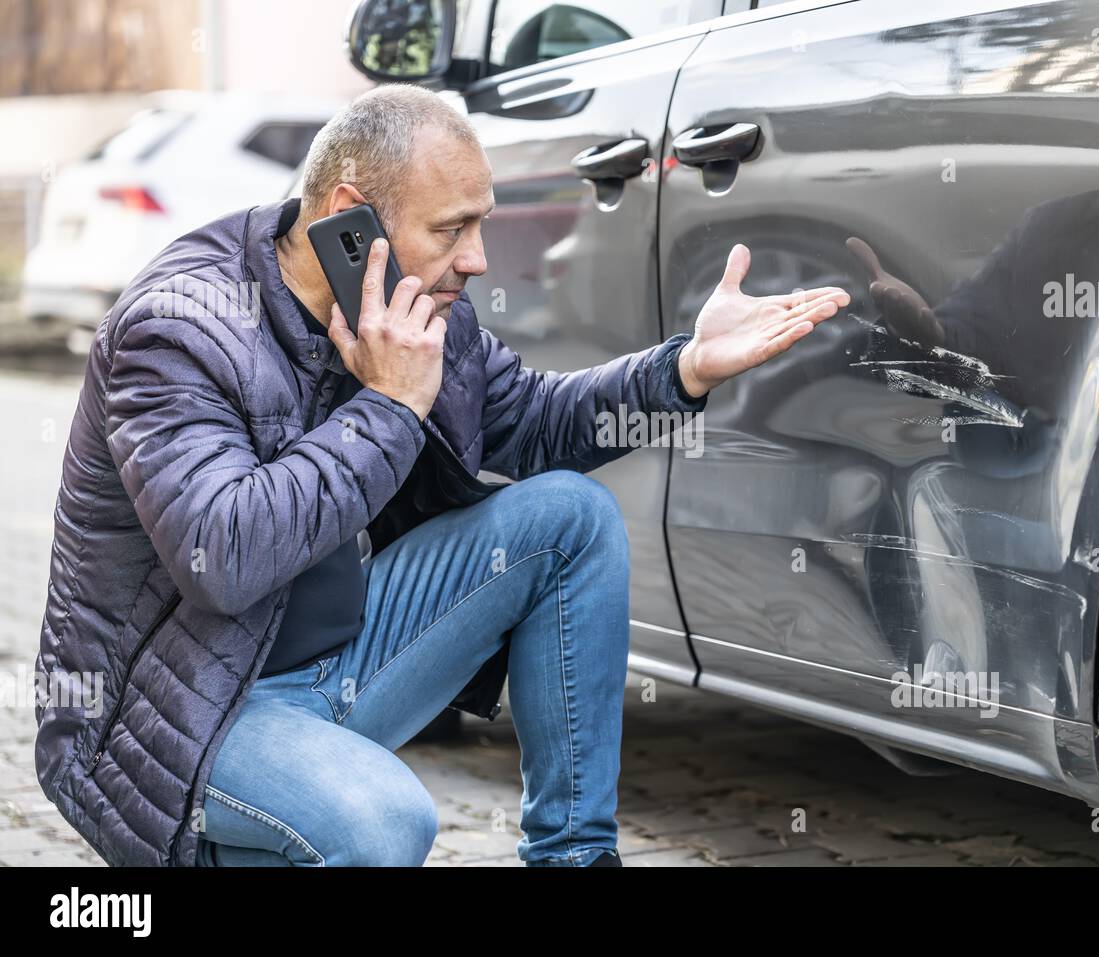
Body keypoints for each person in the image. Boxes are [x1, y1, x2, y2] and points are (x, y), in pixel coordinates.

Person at [32, 84, 849, 867]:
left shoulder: (411, 306)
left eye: (481, 225)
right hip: (183, 716)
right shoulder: (182, 328)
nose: (479, 259)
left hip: (336, 663)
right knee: (386, 823)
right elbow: (225, 558)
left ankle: (574, 856)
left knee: (570, 517)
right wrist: (388, 406)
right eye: (452, 229)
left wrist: (686, 371)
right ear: (349, 220)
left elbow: (535, 421)